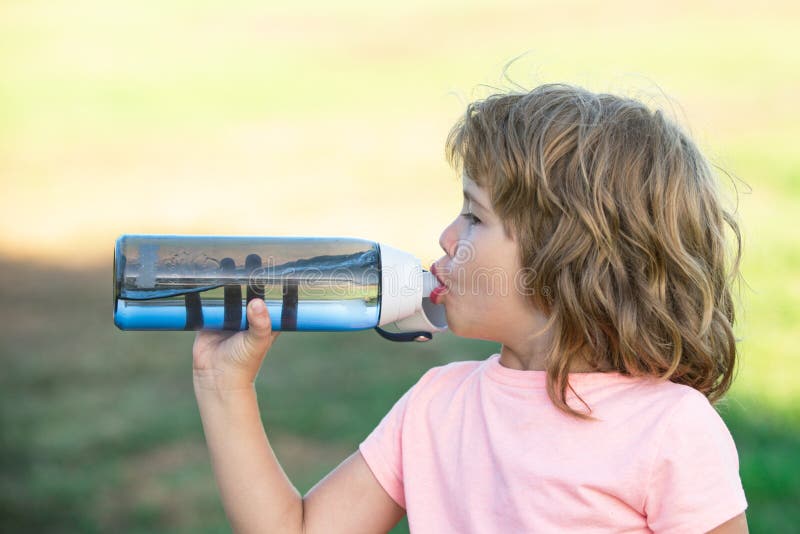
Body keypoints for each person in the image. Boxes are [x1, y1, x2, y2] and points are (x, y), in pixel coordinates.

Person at [192, 83, 749, 533]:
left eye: (474, 217)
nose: (445, 235)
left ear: (567, 261)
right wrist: (224, 386)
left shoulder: (668, 429)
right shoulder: (436, 407)